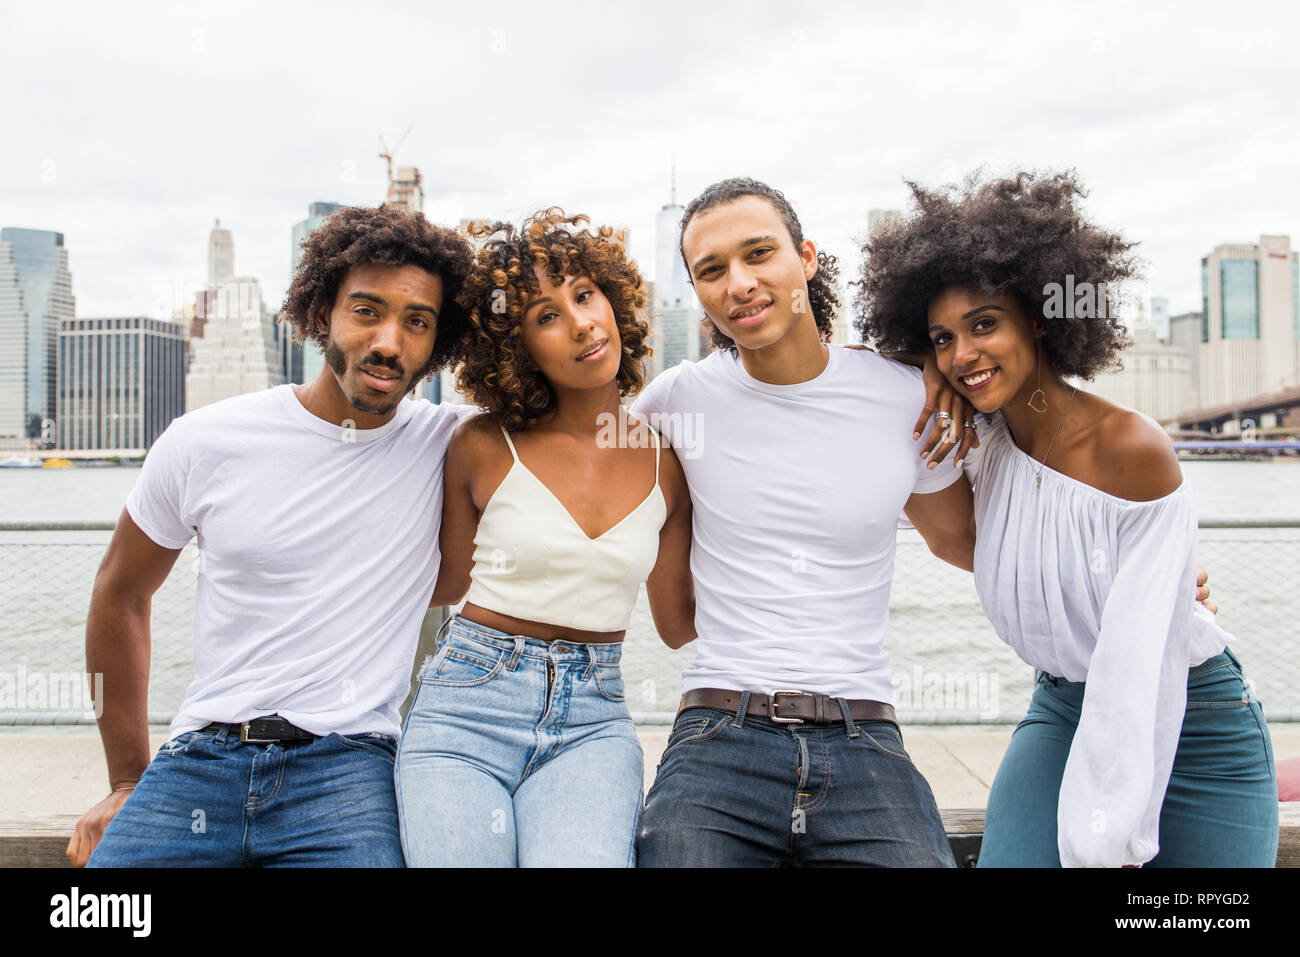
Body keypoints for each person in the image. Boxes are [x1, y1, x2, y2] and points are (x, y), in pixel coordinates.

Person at [857, 169, 1279, 867]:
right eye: (941, 338)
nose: (963, 354)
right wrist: (923, 380)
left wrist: (1104, 837)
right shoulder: (980, 447)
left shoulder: (1130, 449)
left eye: (984, 324)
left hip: (1196, 718)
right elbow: (981, 544)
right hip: (1064, 707)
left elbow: (1136, 665)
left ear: (1041, 318)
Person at [68, 205, 474, 867]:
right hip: (200, 759)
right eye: (366, 310)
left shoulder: (455, 445)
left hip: (350, 767)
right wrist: (125, 780)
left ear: (439, 343)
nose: (389, 342)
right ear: (321, 313)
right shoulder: (207, 440)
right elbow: (119, 593)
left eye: (417, 322)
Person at [632, 178, 979, 867]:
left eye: (759, 253)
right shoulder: (676, 400)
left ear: (808, 258)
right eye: (711, 269)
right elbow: (574, 465)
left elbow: (967, 543)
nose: (740, 282)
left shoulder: (904, 395)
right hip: (716, 729)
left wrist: (1140, 575)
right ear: (697, 291)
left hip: (865, 734)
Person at [395, 209, 694, 867]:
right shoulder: (480, 444)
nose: (581, 321)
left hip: (593, 719)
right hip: (466, 709)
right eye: (546, 316)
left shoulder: (665, 461)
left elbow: (679, 625)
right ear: (517, 347)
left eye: (585, 294)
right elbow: (440, 584)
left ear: (613, 299)